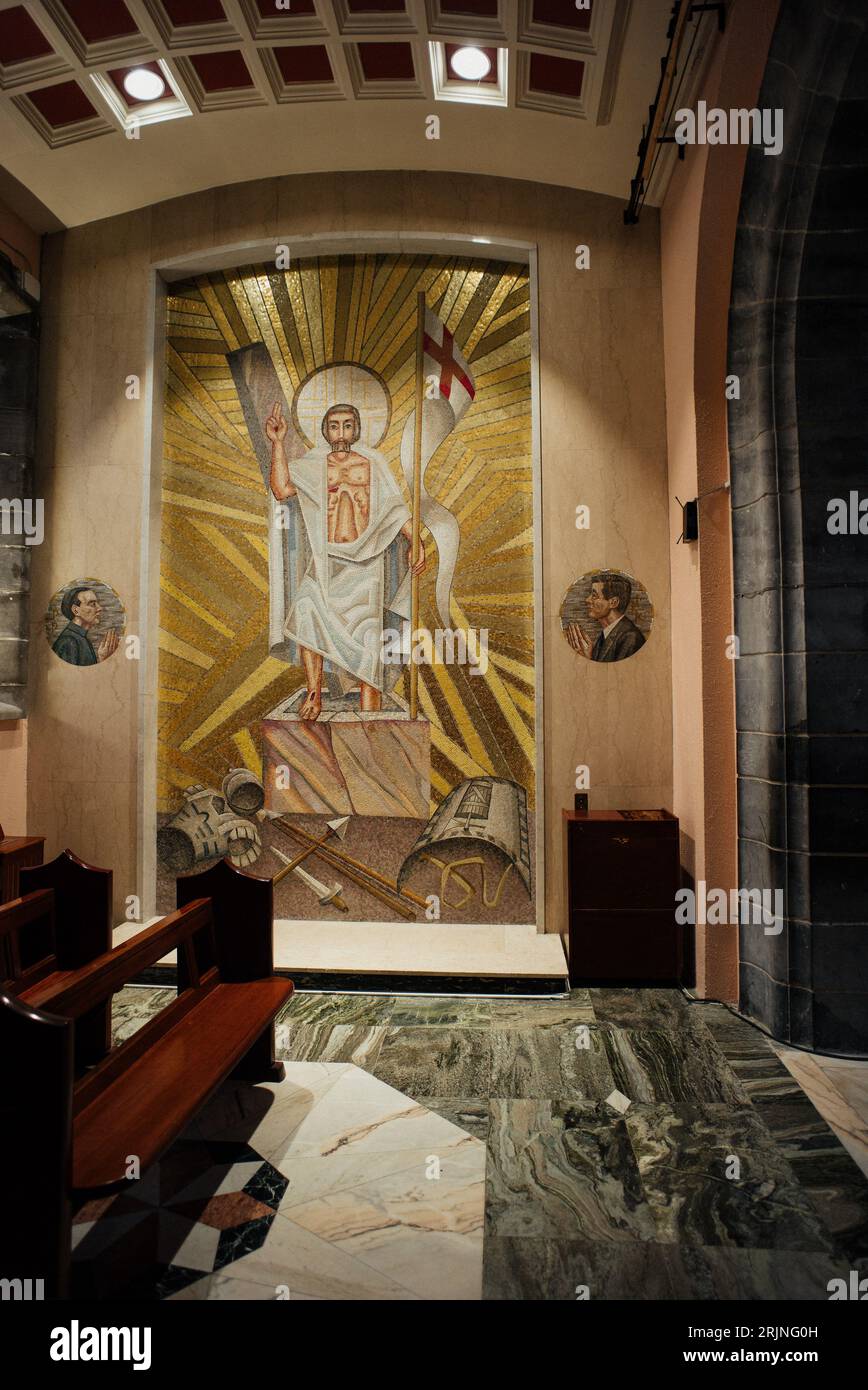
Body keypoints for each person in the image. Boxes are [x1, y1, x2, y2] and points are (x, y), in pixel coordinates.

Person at [267, 400, 425, 720]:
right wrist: (279, 443)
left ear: (357, 429)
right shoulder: (314, 466)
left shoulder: (373, 464)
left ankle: (370, 715)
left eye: (348, 425)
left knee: (368, 644)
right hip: (328, 559)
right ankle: (314, 693)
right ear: (325, 430)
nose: (341, 432)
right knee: (307, 612)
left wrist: (415, 539)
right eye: (335, 425)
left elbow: (395, 509)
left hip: (366, 563)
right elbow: (282, 489)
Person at [566, 573, 646, 663]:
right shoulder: (606, 634)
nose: (587, 600)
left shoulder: (631, 638)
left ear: (613, 603)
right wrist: (590, 657)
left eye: (594, 595)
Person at [51, 586, 119, 666]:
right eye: (93, 604)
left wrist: (102, 658)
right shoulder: (69, 641)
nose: (99, 608)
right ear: (76, 610)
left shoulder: (80, 638)